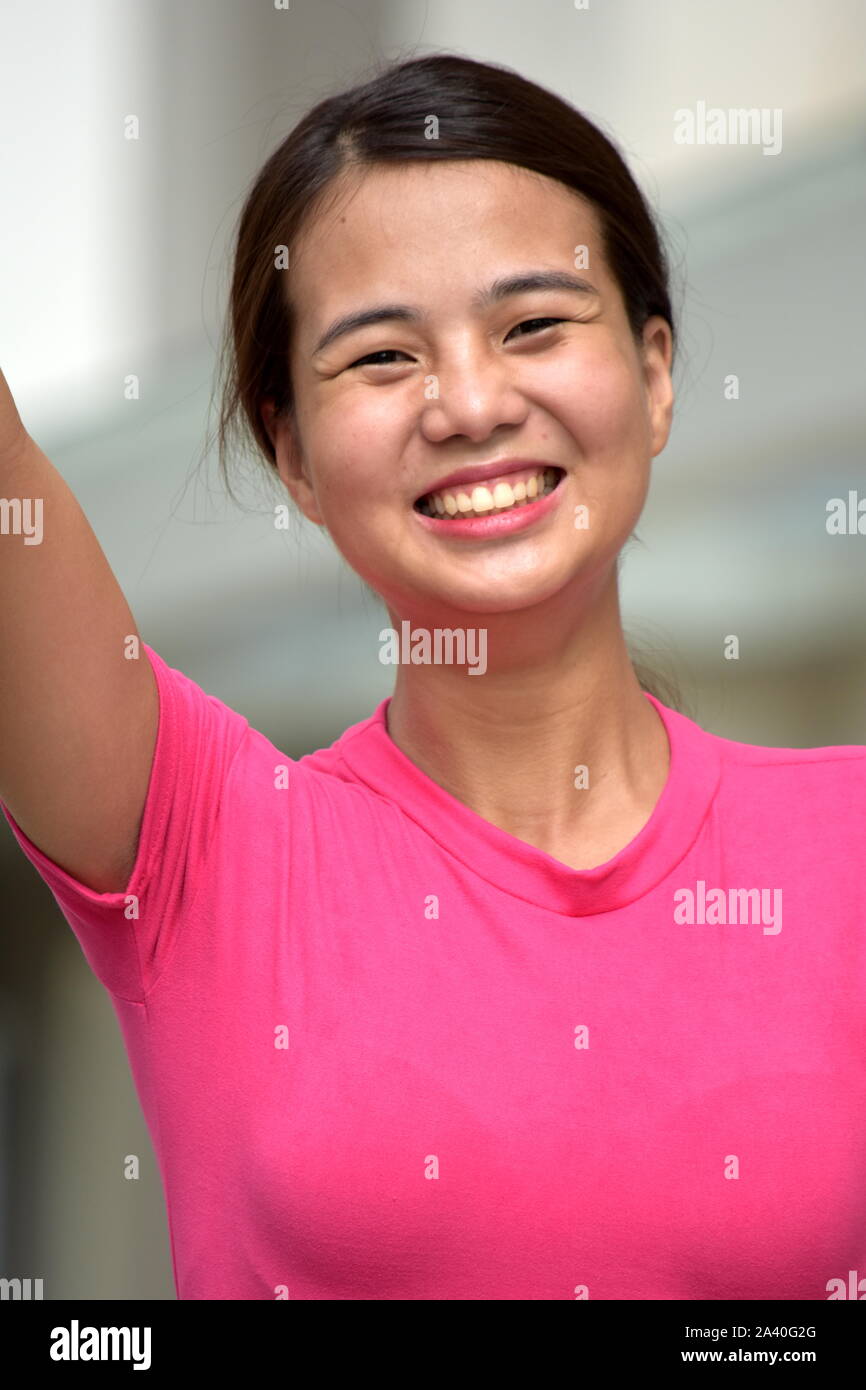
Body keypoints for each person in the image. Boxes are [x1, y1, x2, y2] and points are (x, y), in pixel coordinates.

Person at [2, 52, 865, 1302]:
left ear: (655, 369)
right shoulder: (206, 847)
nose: (467, 403)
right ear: (290, 453)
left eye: (532, 325)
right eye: (381, 357)